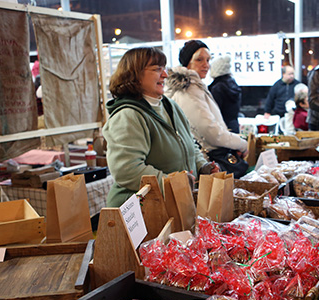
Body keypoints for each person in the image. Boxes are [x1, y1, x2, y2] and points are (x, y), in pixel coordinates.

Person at [102, 47, 217, 207]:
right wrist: (172, 184)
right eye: (157, 69)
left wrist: (202, 166)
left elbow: (189, 144)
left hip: (171, 204)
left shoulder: (170, 106)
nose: (165, 74)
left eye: (164, 68)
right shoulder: (128, 115)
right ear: (135, 74)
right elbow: (127, 170)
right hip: (140, 213)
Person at [165, 40, 249, 178]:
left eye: (208, 60)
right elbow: (210, 132)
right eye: (199, 60)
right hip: (205, 163)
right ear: (187, 62)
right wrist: (241, 144)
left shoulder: (196, 86)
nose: (206, 65)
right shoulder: (188, 90)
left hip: (205, 162)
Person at [208, 55, 242, 133]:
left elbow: (215, 113)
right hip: (234, 126)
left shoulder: (217, 89)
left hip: (221, 128)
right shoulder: (234, 85)